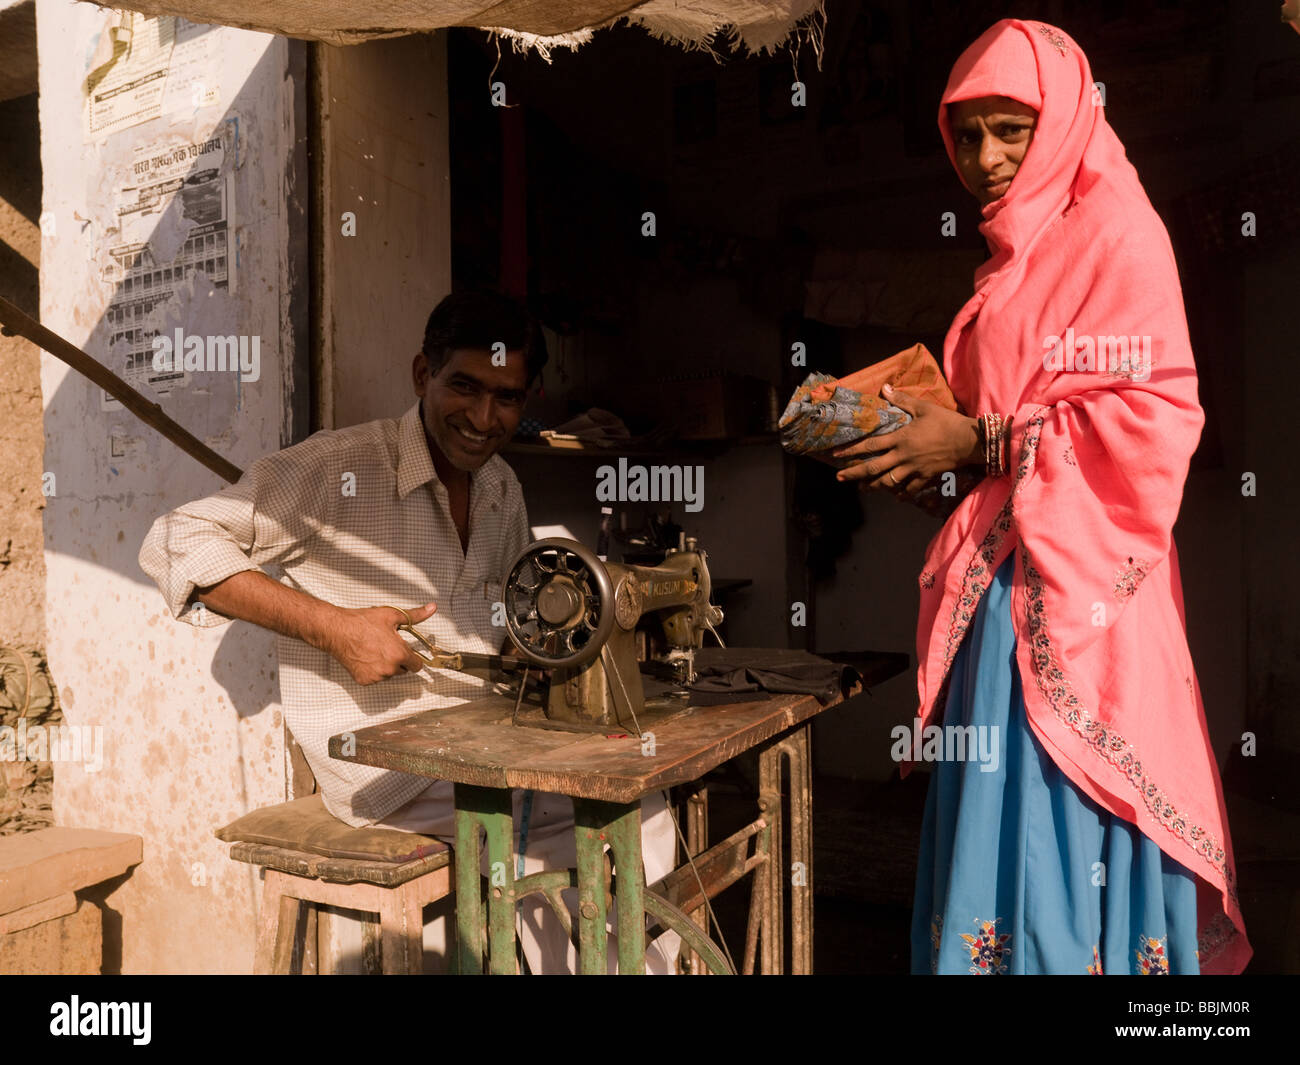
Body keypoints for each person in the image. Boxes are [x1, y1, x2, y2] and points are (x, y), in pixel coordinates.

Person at [834, 20, 1250, 974]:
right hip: (1000, 609)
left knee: (1068, 823)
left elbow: (1153, 423)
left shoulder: (1120, 234)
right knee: (995, 835)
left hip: (1089, 604)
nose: (986, 158)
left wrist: (977, 438)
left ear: (1063, 120)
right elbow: (1009, 433)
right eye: (967, 134)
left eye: (1010, 130)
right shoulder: (1007, 264)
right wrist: (921, 448)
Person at [139, 290, 678, 973]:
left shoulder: (501, 485)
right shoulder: (338, 470)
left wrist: (525, 649)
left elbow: (509, 610)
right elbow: (175, 542)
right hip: (384, 775)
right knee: (569, 828)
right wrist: (332, 628)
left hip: (480, 741)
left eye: (506, 398)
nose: (483, 419)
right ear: (423, 374)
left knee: (644, 796)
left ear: (530, 396)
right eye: (464, 387)